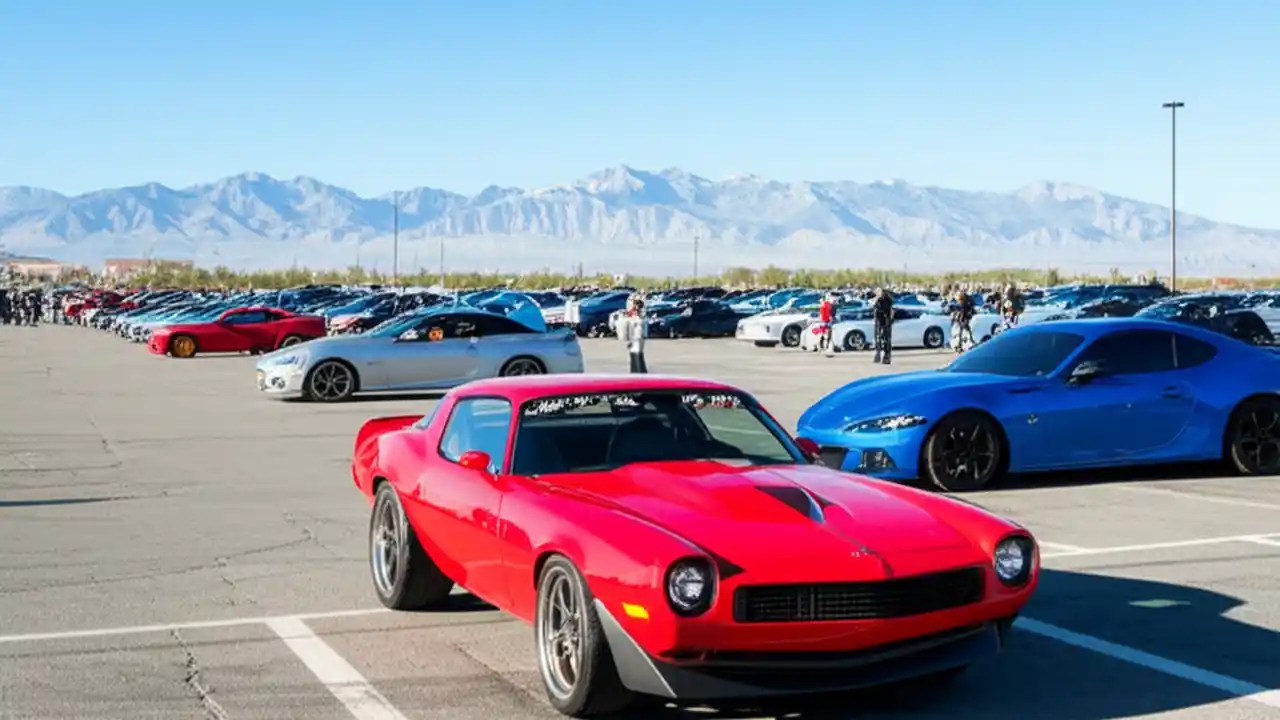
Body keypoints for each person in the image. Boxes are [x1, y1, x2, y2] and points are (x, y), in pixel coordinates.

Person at [617, 295, 648, 373]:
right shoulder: (638, 315)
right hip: (638, 337)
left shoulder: (639, 316)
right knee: (637, 355)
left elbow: (638, 321)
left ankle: (637, 372)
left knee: (636, 355)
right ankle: (640, 372)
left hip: (638, 337)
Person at [871, 287, 893, 364]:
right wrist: (877, 298)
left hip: (886, 321)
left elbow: (890, 310)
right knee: (877, 338)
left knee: (886, 339)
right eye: (877, 292)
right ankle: (878, 355)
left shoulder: (888, 300)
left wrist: (890, 320)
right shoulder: (876, 300)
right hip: (878, 321)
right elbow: (872, 304)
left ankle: (887, 357)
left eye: (880, 292)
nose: (879, 294)